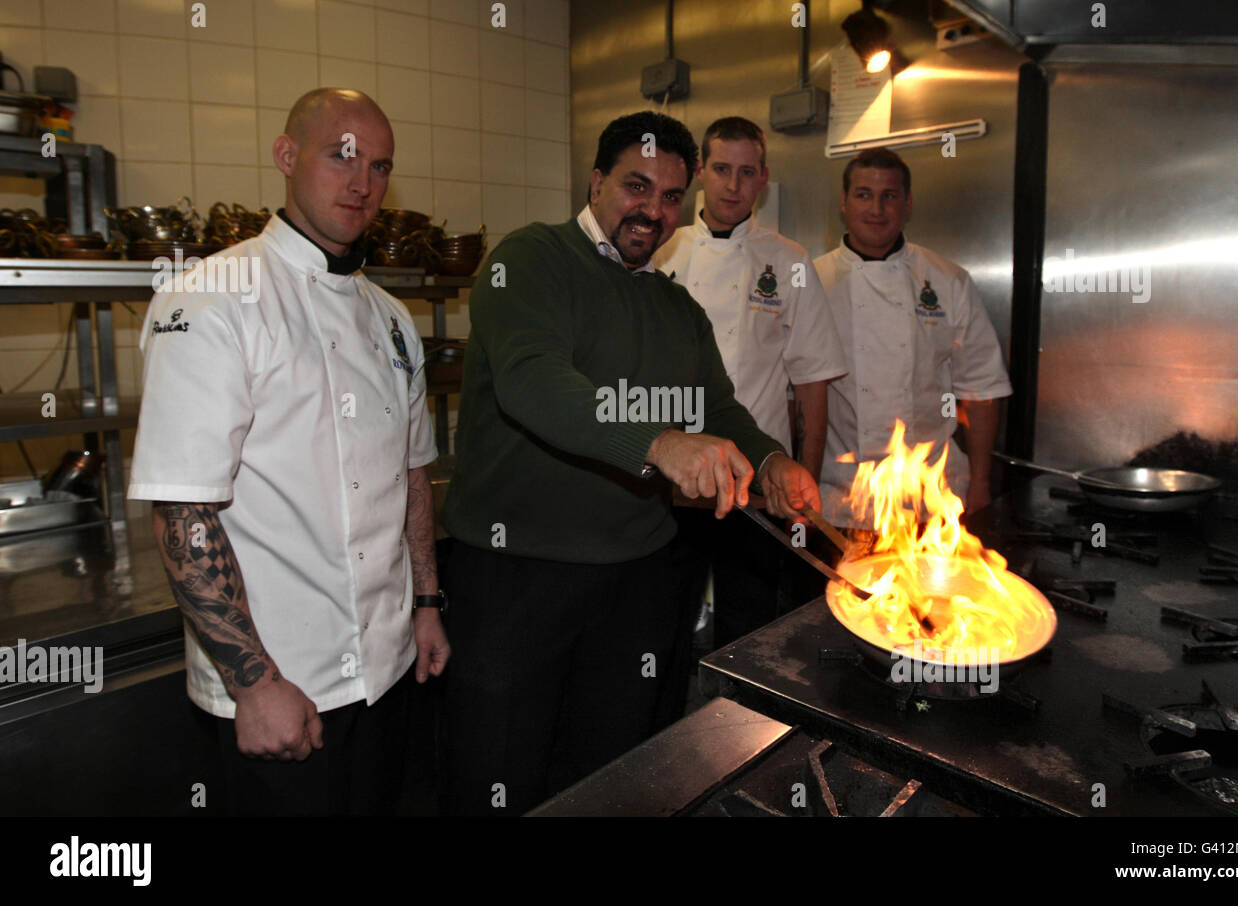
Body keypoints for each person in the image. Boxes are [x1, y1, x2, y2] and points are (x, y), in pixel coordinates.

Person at [438, 110, 821, 816]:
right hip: (519, 572)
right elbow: (534, 382)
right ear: (595, 180)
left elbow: (719, 409)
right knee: (500, 770)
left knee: (615, 771)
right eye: (636, 186)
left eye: (671, 196)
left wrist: (768, 461)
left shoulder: (677, 308)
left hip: (637, 580)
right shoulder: (530, 261)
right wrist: (659, 443)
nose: (653, 210)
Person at [127, 88, 450, 816]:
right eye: (341, 155)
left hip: (390, 670)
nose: (361, 181)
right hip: (283, 688)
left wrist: (427, 604)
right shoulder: (210, 299)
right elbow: (183, 510)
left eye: (379, 165)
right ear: (285, 156)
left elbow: (411, 476)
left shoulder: (391, 318)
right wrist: (253, 683)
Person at [653, 117, 846, 675]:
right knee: (665, 625)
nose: (732, 185)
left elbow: (811, 382)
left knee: (752, 633)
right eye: (720, 170)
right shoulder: (664, 250)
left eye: (746, 172)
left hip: (757, 487)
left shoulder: (790, 261)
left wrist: (802, 492)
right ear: (698, 174)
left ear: (763, 178)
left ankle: (748, 731)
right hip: (673, 482)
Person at [814, 148, 1012, 531]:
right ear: (843, 202)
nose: (876, 208)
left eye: (889, 195)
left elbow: (982, 389)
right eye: (863, 194)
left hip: (933, 495)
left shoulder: (947, 280)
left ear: (908, 203)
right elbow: (796, 395)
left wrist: (981, 484)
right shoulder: (812, 282)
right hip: (839, 496)